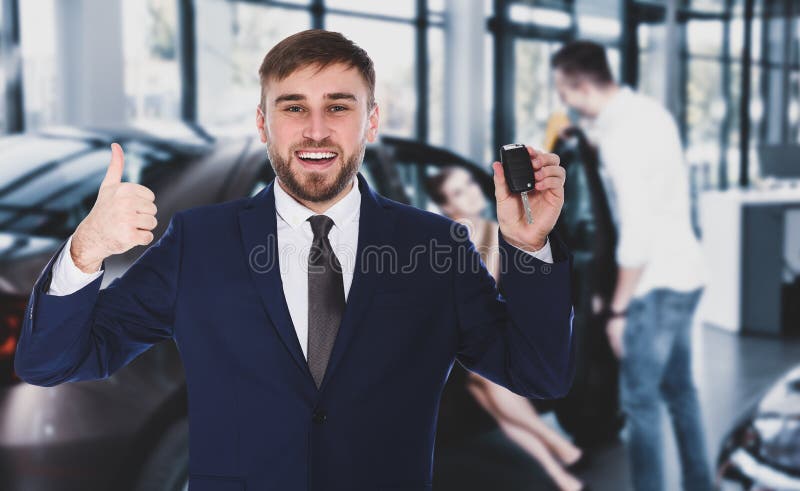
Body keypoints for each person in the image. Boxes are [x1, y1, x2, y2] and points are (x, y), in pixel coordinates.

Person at [14, 29, 575, 490]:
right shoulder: (198, 243)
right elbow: (50, 362)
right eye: (294, 107)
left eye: (338, 107)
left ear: (371, 121)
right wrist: (85, 250)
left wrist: (528, 248)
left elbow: (538, 373)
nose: (316, 130)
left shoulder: (437, 247)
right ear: (263, 123)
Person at [550, 40, 711, 491]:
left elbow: (637, 235)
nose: (563, 100)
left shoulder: (622, 138)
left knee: (641, 404)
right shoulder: (648, 114)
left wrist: (618, 309)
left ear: (579, 86)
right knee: (680, 392)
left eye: (563, 91)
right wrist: (584, 136)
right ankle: (700, 483)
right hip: (686, 273)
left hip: (652, 287)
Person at [427, 166, 587, 491]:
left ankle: (559, 466)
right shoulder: (445, 239)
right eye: (458, 192)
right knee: (485, 386)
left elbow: (485, 295)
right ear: (446, 205)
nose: (471, 192)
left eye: (469, 184)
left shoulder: (494, 231)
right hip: (455, 339)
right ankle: (557, 451)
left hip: (479, 336)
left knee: (486, 388)